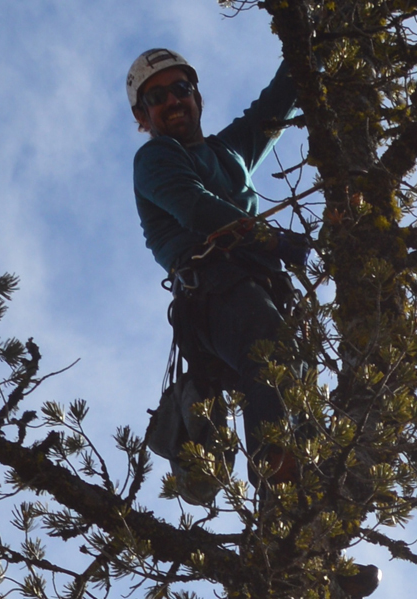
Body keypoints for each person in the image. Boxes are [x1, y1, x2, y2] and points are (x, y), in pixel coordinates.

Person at [127, 47, 309, 478]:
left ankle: (303, 490)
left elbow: (279, 99)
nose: (172, 101)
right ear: (142, 116)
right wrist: (271, 240)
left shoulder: (230, 151)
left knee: (293, 372)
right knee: (269, 344)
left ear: (197, 97)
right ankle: (278, 477)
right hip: (213, 292)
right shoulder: (154, 160)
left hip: (259, 291)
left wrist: (311, 36)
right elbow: (196, 208)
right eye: (157, 98)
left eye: (180, 89)